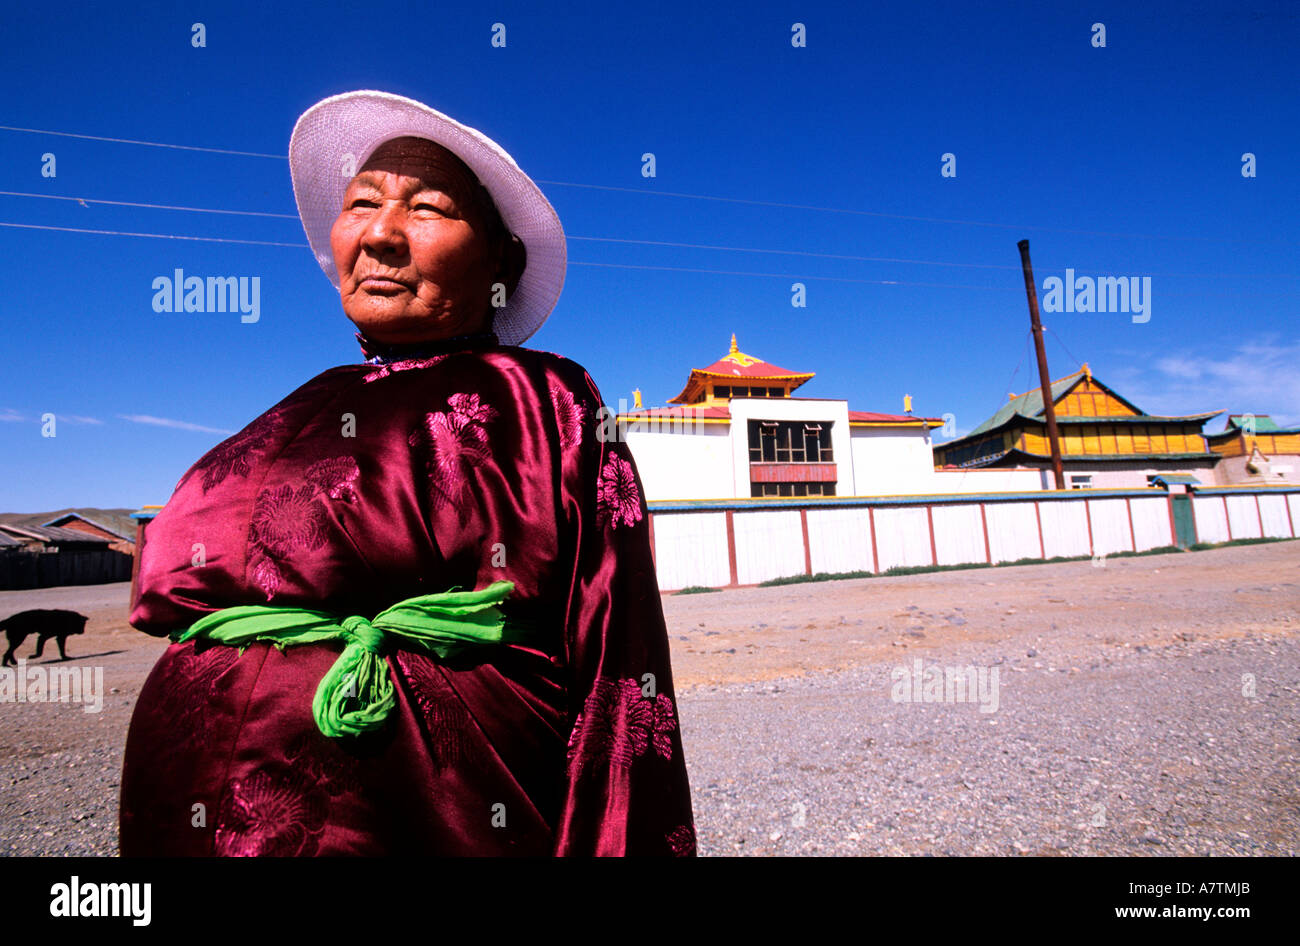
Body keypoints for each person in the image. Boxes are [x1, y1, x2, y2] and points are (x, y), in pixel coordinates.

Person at [119, 90, 696, 856]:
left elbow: (617, 668)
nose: (382, 235)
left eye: (426, 209)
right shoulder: (297, 408)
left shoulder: (545, 399)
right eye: (362, 203)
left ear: (500, 260)